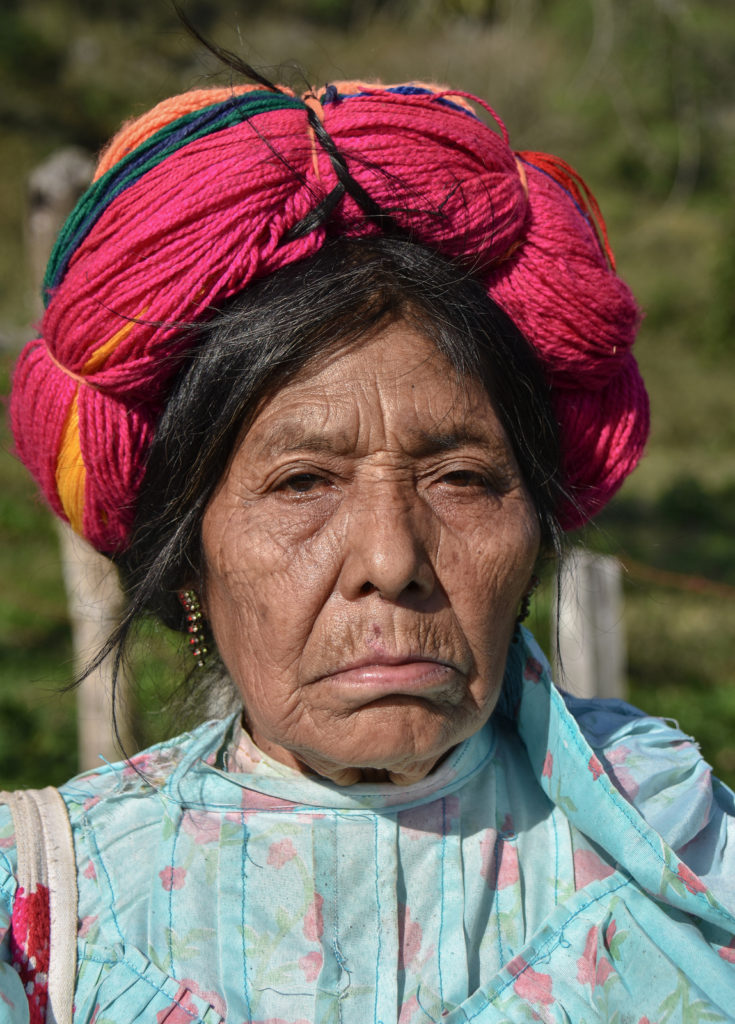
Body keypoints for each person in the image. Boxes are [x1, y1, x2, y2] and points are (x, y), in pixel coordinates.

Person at [2, 67, 733, 1024]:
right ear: (186, 551)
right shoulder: (50, 920)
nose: (391, 561)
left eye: (461, 478)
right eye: (302, 483)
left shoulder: (680, 861)